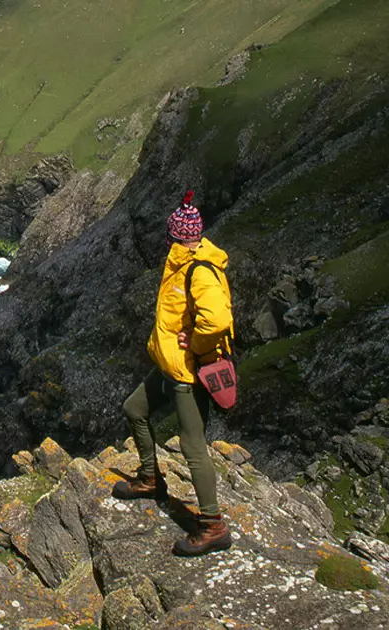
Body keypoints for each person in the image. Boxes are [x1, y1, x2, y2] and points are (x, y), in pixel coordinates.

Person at [112, 190, 234, 556]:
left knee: (192, 446)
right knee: (134, 409)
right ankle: (151, 479)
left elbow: (218, 319)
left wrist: (194, 342)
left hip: (187, 374)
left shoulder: (199, 270)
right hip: (169, 366)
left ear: (175, 236)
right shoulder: (181, 263)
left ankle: (212, 525)